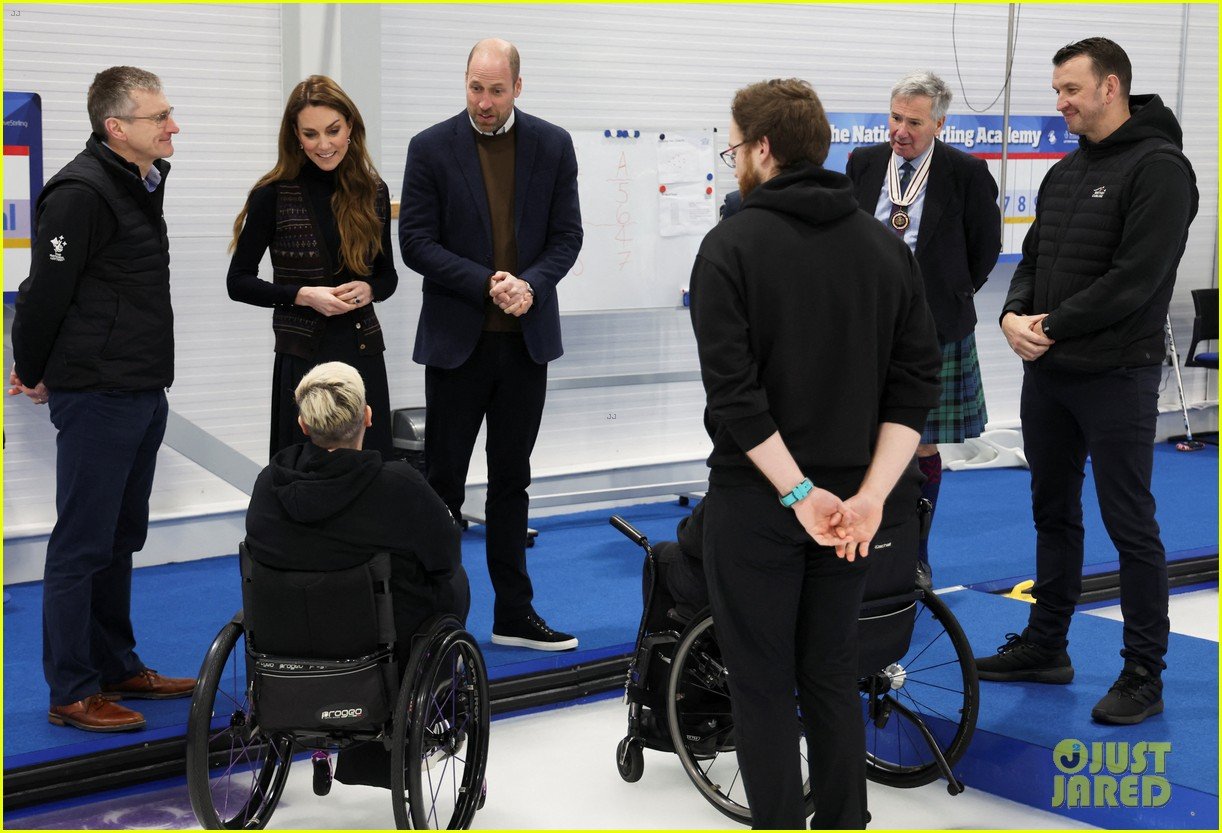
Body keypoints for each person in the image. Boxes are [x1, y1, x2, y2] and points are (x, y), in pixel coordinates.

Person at [689, 78, 940, 828]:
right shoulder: (886, 248)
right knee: (831, 673)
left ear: (764, 149)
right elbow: (914, 389)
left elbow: (736, 399)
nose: (733, 159)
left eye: (734, 147)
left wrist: (799, 495)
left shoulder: (729, 247)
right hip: (854, 511)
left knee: (762, 683)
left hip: (760, 500)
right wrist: (869, 498)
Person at [974, 38, 1198, 726]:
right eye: (1057, 90)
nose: (1061, 102)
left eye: (1070, 89)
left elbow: (1136, 280)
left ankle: (1143, 674)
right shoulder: (1066, 172)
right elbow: (1033, 256)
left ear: (1111, 87)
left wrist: (1050, 324)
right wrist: (1012, 315)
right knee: (1052, 512)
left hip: (1117, 376)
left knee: (1130, 524)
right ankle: (1046, 646)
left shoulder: (1161, 170)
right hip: (1051, 375)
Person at [8, 66, 195, 732]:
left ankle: (115, 664)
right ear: (116, 128)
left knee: (120, 537)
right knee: (82, 543)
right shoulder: (80, 194)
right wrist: (32, 368)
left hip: (140, 385)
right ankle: (72, 689)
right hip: (97, 392)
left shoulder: (141, 182)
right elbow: (42, 294)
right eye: (160, 117)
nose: (173, 126)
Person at [399, 38, 583, 651]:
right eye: (475, 87)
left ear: (518, 87)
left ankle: (513, 615)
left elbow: (567, 236)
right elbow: (416, 242)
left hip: (526, 344)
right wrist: (487, 283)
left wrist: (531, 285)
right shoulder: (430, 147)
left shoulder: (553, 145)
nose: (484, 101)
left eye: (496, 90)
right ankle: (432, 619)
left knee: (512, 481)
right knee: (442, 485)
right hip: (458, 344)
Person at [244, 361, 470, 788]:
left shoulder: (267, 484)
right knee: (454, 583)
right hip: (374, 647)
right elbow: (445, 558)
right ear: (367, 416)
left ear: (303, 424)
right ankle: (432, 703)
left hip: (284, 641)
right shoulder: (398, 484)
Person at [846, 71, 1001, 581]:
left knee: (920, 442)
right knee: (860, 437)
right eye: (895, 117)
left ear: (939, 123)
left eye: (914, 122)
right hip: (866, 323)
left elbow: (985, 247)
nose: (900, 130)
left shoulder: (966, 172)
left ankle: (914, 553)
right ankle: (862, 547)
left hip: (933, 325)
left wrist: (951, 293)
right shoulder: (863, 162)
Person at [228, 75, 398, 461]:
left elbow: (387, 277)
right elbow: (238, 282)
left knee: (368, 472)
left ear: (350, 126)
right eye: (311, 134)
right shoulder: (272, 194)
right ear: (295, 135)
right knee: (303, 473)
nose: (324, 145)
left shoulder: (373, 191)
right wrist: (302, 296)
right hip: (303, 362)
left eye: (333, 130)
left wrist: (369, 289)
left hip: (362, 352)